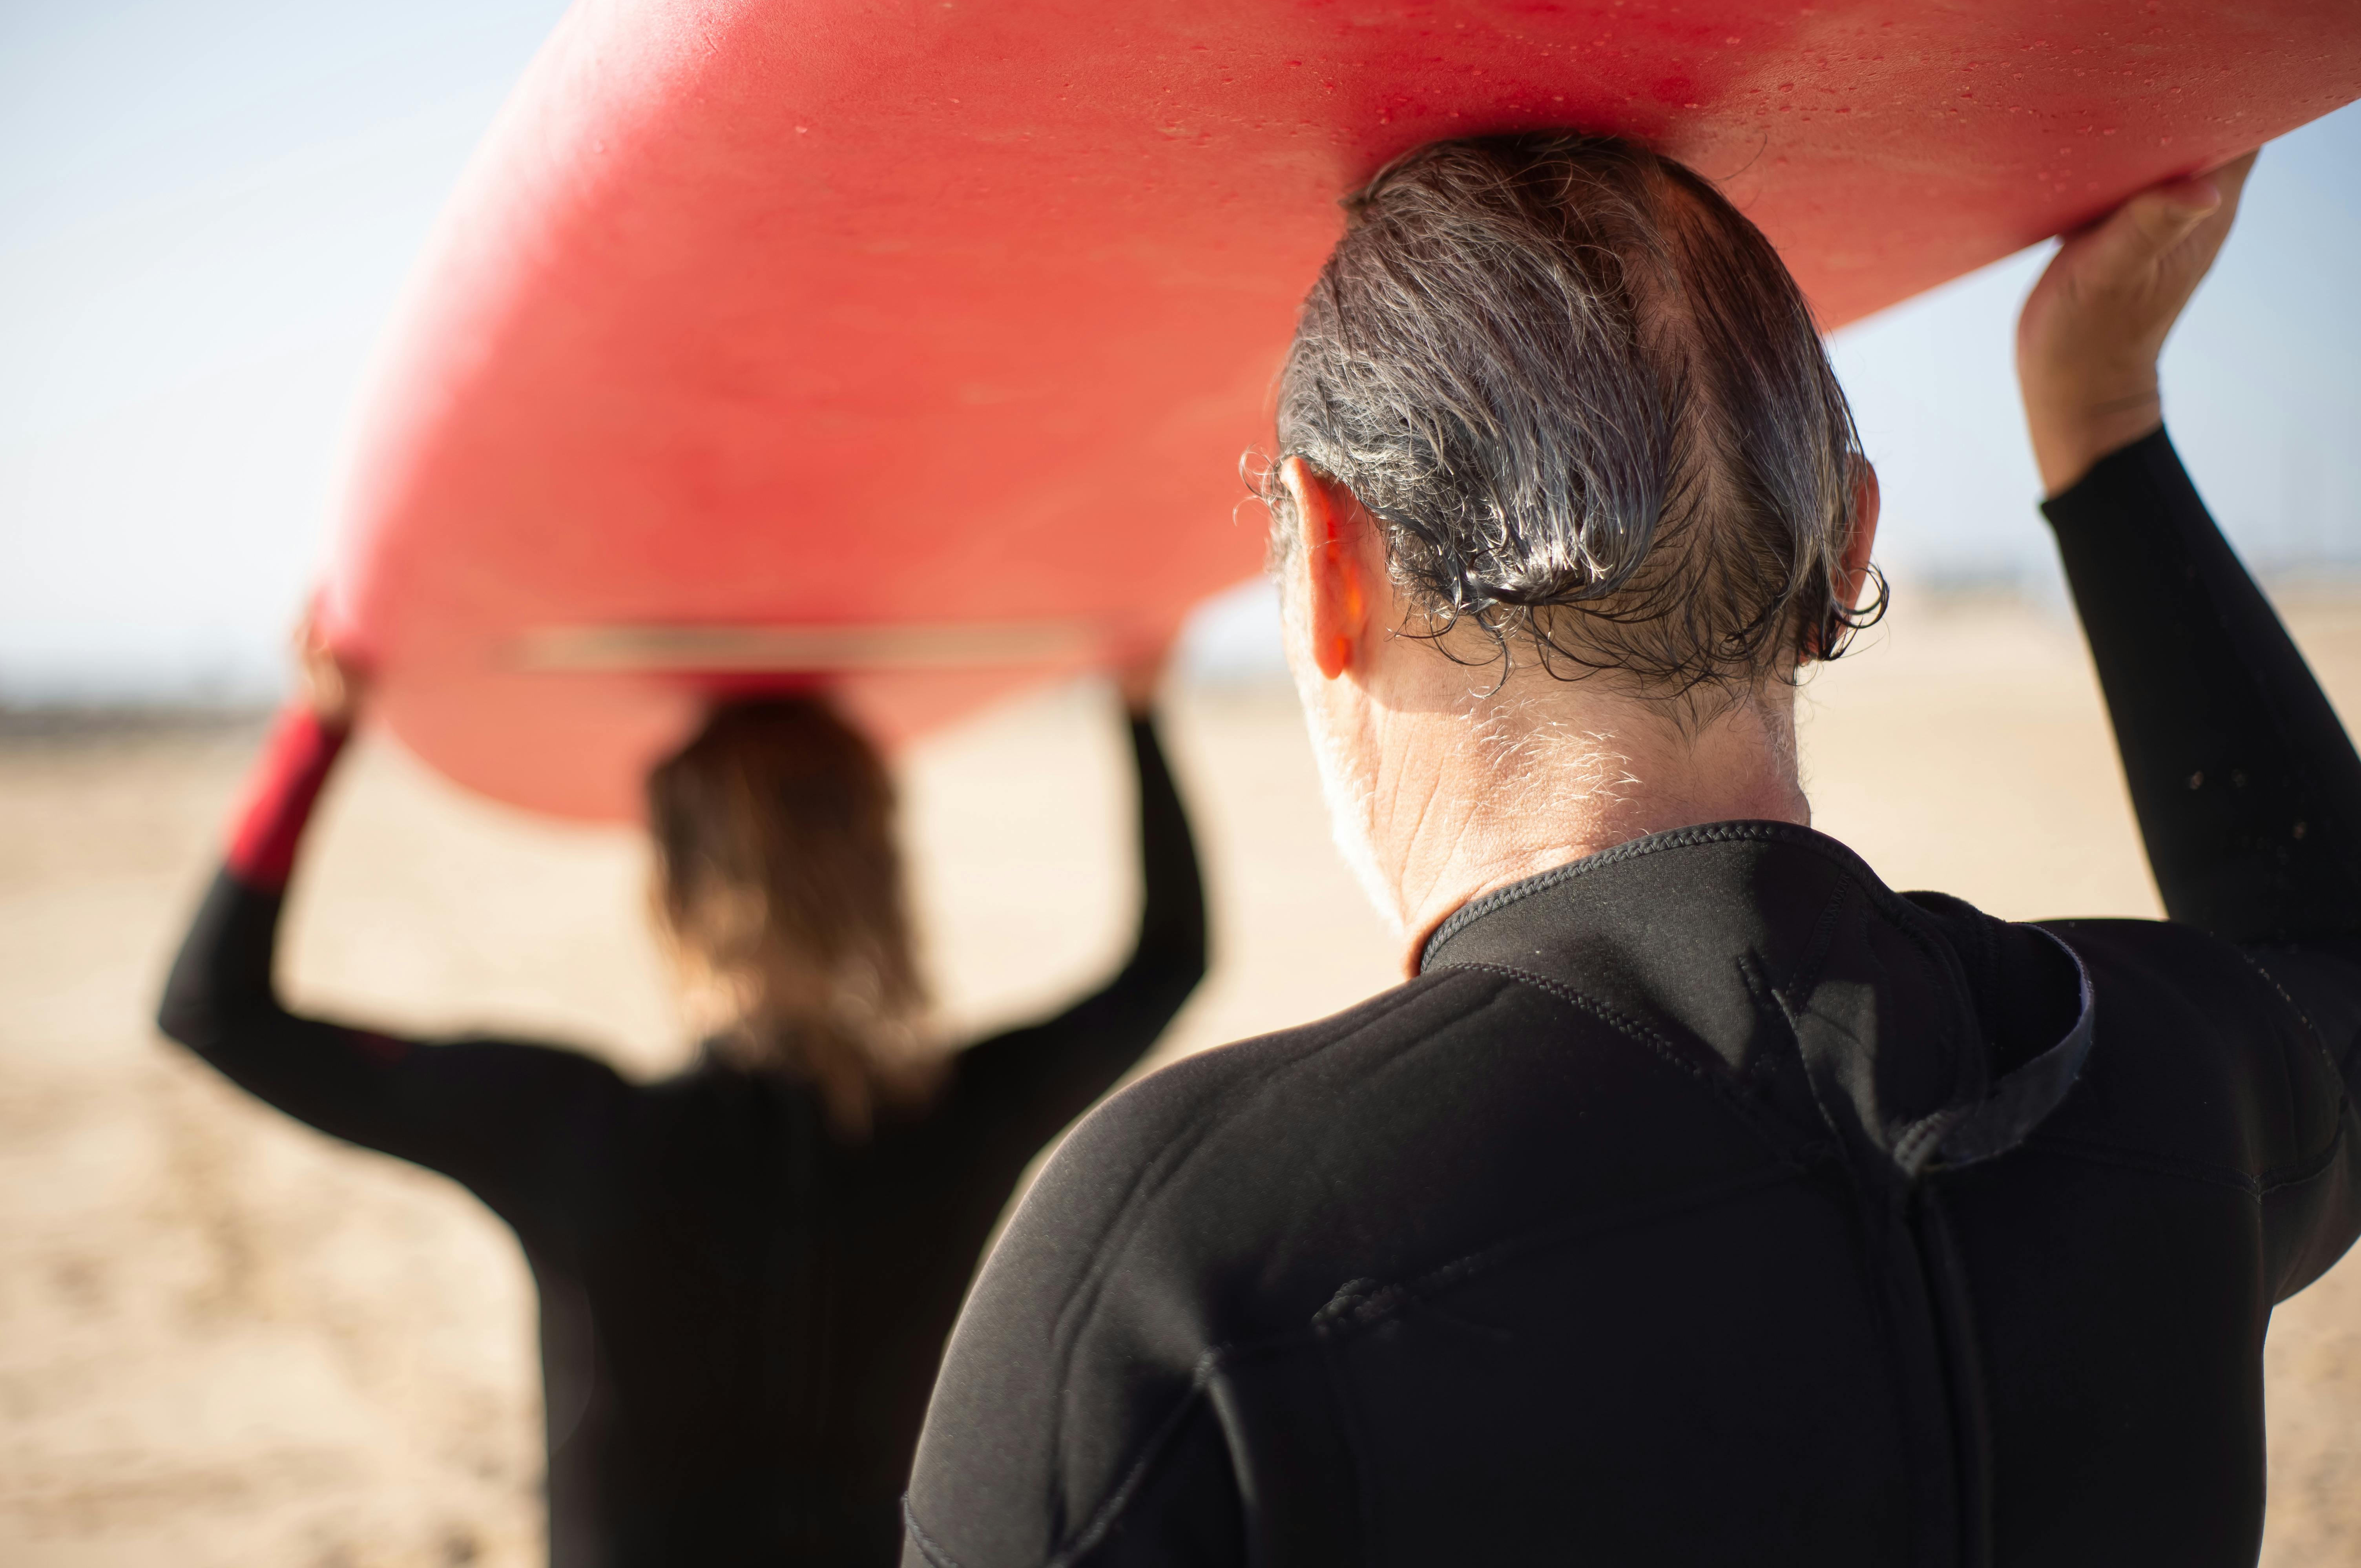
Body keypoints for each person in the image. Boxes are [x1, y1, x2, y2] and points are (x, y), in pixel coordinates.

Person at [899, 134, 2361, 1565]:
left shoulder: (1185, 1288)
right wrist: (2106, 418)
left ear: (1333, 561)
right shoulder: (2160, 1076)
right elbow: (2333, 949)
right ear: (1848, 543)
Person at [157, 637, 1205, 1566]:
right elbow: (1168, 961)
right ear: (885, 867)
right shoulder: (964, 1118)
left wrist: (322, 729)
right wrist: (1139, 707)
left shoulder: (572, 1132)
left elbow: (213, 1011)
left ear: (669, 890)